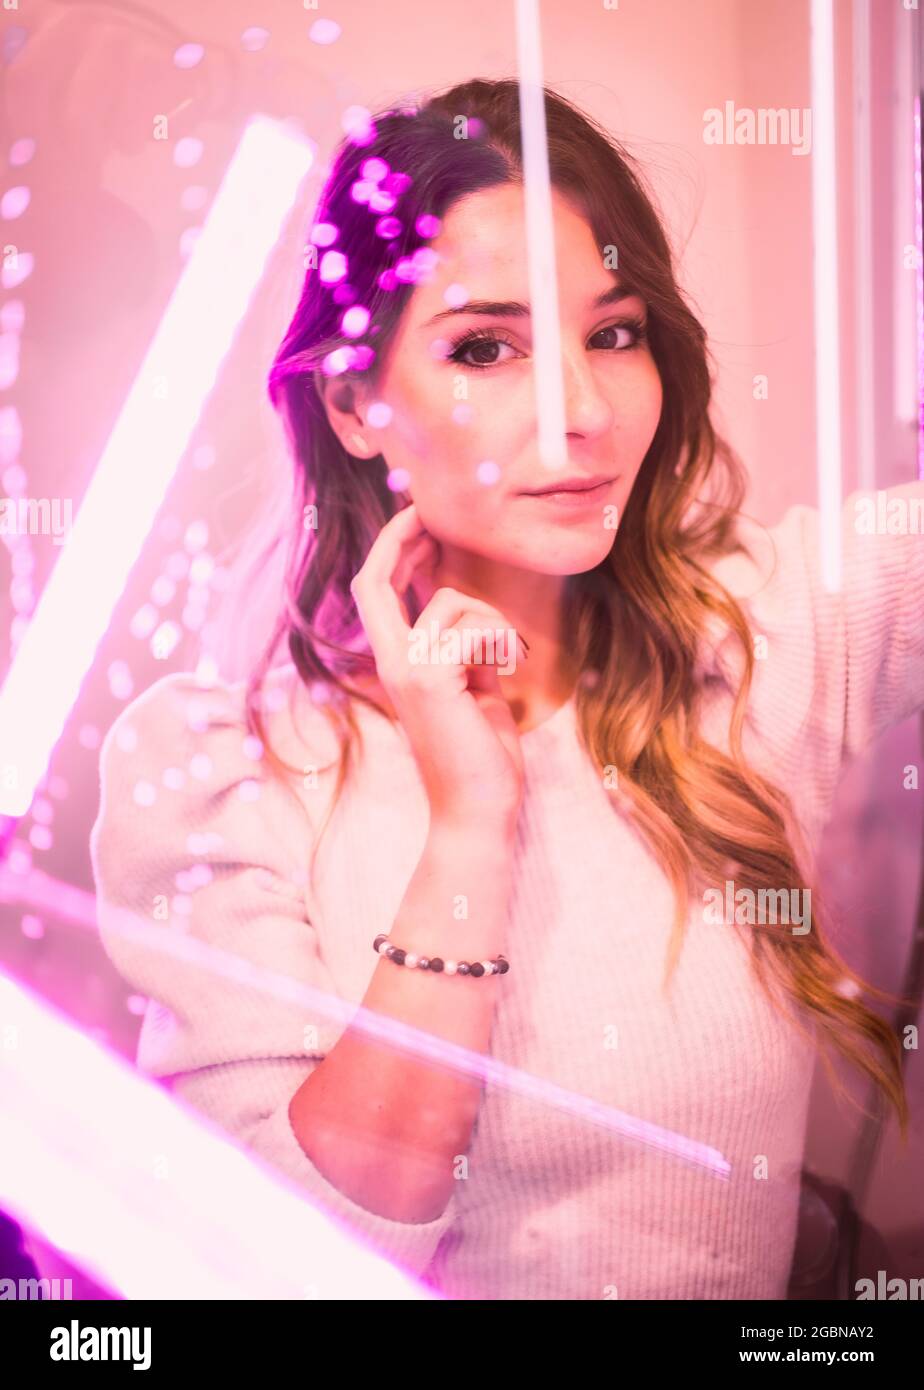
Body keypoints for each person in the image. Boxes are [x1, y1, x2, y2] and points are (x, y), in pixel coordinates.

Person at [91, 79, 923, 1300]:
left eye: (615, 332)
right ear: (355, 400)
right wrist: (470, 828)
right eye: (487, 346)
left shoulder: (765, 625)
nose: (582, 413)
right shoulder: (226, 775)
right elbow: (289, 1269)